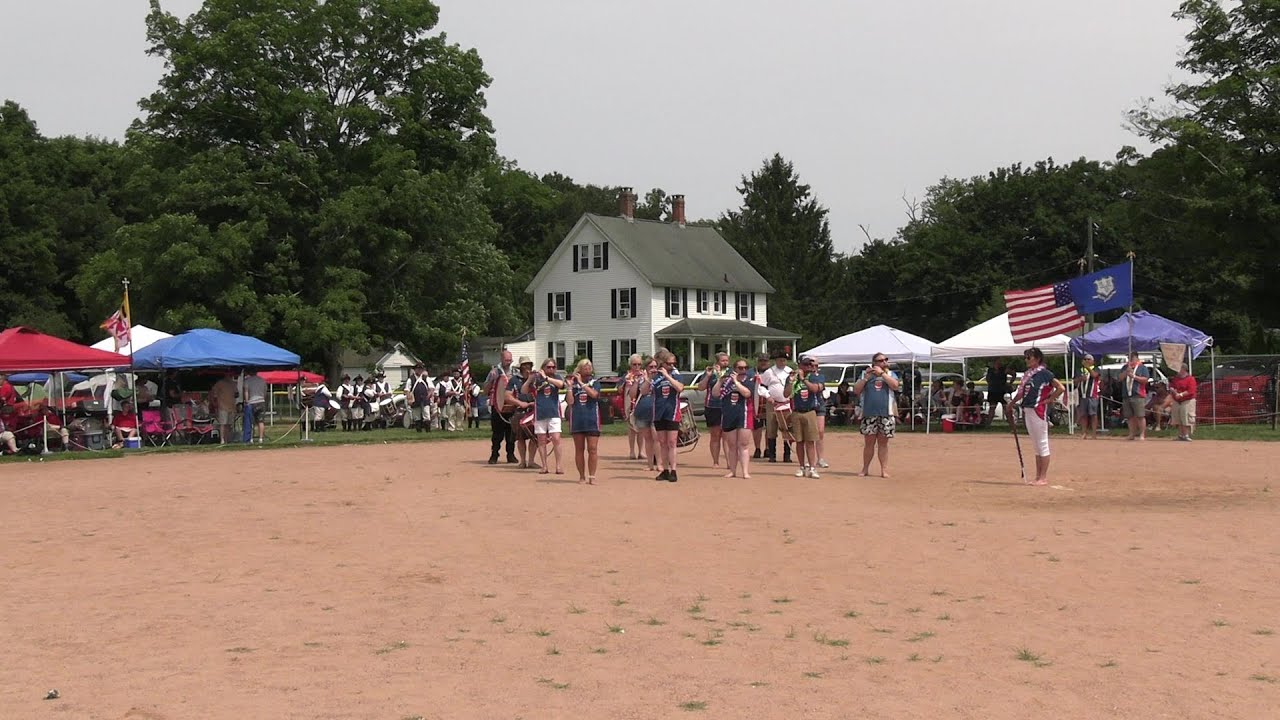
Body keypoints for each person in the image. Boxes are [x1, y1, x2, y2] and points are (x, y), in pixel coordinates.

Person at [1011, 347, 1066, 486]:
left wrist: (1050, 399)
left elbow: (1061, 387)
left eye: (1029, 357)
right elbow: (1021, 392)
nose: (1026, 360)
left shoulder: (1045, 374)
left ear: (1037, 359)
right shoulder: (1028, 374)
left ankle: (1043, 476)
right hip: (1028, 409)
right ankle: (1038, 476)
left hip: (1038, 409)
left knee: (1042, 443)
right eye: (1026, 357)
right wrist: (1011, 404)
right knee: (1036, 445)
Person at [854, 352, 900, 478]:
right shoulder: (865, 374)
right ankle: (865, 468)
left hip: (886, 413)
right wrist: (866, 378)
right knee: (869, 443)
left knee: (883, 443)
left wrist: (883, 374)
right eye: (880, 360)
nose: (884, 362)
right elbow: (856, 390)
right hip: (869, 413)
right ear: (874, 363)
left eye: (885, 360)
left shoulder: (890, 374)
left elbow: (895, 386)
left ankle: (884, 470)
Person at [643, 348, 686, 481]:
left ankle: (673, 470)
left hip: (672, 412)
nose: (671, 366)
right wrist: (648, 378)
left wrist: (668, 375)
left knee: (672, 442)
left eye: (673, 363)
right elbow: (644, 392)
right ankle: (665, 469)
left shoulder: (675, 375)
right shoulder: (655, 377)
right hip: (659, 413)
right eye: (669, 364)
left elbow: (680, 388)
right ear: (662, 363)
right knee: (662, 442)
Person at [784, 355, 825, 478]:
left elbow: (815, 389)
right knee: (799, 441)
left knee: (810, 441)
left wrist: (803, 379)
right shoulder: (791, 377)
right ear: (800, 365)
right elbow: (786, 394)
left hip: (811, 411)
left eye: (811, 365)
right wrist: (791, 381)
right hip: (797, 411)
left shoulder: (815, 376)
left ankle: (812, 468)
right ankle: (801, 467)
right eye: (806, 365)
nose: (809, 367)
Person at [524, 357, 566, 475]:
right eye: (548, 367)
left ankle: (558, 466)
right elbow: (524, 390)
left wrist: (547, 378)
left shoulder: (556, 377)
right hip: (540, 413)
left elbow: (562, 385)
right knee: (541, 440)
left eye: (553, 367)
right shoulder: (537, 379)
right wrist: (529, 379)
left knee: (556, 439)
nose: (551, 369)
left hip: (554, 413)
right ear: (543, 367)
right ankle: (544, 466)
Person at [715, 358, 756, 478]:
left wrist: (736, 382)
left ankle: (745, 472)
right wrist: (719, 381)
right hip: (729, 415)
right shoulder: (726, 381)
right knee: (732, 445)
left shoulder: (749, 381)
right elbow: (715, 394)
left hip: (744, 415)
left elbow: (747, 393)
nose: (743, 370)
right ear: (735, 369)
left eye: (745, 368)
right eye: (740, 368)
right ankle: (733, 471)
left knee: (743, 444)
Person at [567, 359, 602, 484]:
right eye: (585, 367)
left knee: (592, 449)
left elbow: (594, 395)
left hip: (592, 419)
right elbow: (570, 402)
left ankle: (592, 476)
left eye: (589, 367)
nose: (588, 369)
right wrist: (570, 387)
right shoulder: (574, 384)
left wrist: (582, 384)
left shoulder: (595, 382)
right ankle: (581, 476)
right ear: (579, 370)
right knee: (579, 449)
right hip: (577, 420)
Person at [760, 350, 795, 463]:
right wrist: (768, 396)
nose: (782, 362)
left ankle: (787, 454)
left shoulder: (790, 371)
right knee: (771, 429)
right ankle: (772, 455)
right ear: (776, 361)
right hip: (772, 404)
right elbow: (761, 387)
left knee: (787, 428)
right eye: (780, 360)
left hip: (786, 404)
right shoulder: (769, 372)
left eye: (784, 360)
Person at [697, 352, 730, 468]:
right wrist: (707, 375)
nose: (725, 362)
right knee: (715, 435)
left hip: (728, 406)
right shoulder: (710, 373)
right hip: (712, 406)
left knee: (727, 436)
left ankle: (729, 462)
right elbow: (700, 388)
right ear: (717, 362)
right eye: (723, 360)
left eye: (727, 360)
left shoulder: (731, 373)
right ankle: (715, 461)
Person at [484, 351, 518, 463]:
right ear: (501, 359)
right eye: (506, 360)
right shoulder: (494, 372)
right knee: (497, 433)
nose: (508, 362)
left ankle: (511, 454)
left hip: (511, 406)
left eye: (510, 360)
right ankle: (494, 455)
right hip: (497, 406)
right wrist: (493, 380)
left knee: (511, 433)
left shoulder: (515, 372)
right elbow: (485, 390)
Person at [631, 358, 657, 471]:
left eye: (655, 366)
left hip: (657, 411)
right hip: (643, 411)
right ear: (645, 368)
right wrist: (637, 381)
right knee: (648, 439)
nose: (653, 369)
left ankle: (660, 463)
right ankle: (650, 464)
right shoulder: (641, 379)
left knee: (657, 438)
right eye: (650, 367)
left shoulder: (661, 378)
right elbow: (633, 394)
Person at [1121, 351, 1151, 440]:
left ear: (1136, 358)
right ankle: (1131, 434)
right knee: (1129, 416)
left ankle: (1142, 434)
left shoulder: (1142, 368)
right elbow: (1120, 378)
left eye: (1131, 358)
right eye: (1128, 358)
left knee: (1140, 415)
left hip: (1138, 394)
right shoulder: (1125, 367)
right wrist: (1126, 372)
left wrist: (1134, 376)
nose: (1129, 360)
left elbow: (1145, 379)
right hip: (1126, 394)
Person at [623, 353, 646, 460]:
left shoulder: (644, 375)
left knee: (641, 429)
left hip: (641, 403)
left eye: (639, 364)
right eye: (634, 364)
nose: (637, 367)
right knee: (631, 428)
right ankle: (632, 451)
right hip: (630, 405)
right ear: (630, 365)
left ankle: (641, 451)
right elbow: (621, 389)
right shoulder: (627, 376)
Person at [1074, 354, 1101, 439]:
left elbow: (1094, 375)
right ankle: (1084, 433)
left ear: (1092, 361)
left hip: (1092, 395)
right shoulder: (1080, 370)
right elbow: (1074, 381)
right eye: (1085, 359)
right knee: (1083, 415)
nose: (1087, 361)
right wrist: (1080, 379)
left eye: (1088, 359)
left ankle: (1094, 434)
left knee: (1093, 414)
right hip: (1082, 395)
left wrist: (1088, 368)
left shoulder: (1096, 368)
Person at [1169, 363, 1198, 441]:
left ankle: (1186, 434)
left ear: (1184, 369)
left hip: (1187, 401)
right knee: (1178, 418)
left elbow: (1191, 391)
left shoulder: (1190, 379)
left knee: (1186, 418)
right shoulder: (1176, 378)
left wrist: (1181, 394)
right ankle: (1181, 435)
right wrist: (1172, 390)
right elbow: (1172, 386)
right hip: (1177, 401)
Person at [749, 353, 771, 458]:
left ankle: (767, 448)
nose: (763, 363)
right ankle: (757, 448)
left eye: (765, 361)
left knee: (769, 427)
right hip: (756, 402)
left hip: (768, 402)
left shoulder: (772, 373)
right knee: (757, 427)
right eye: (761, 361)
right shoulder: (751, 373)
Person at [210, 371, 238, 444]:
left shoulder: (233, 384)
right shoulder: (219, 383)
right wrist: (214, 404)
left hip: (231, 407)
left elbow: (236, 394)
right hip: (222, 407)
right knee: (223, 424)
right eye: (229, 374)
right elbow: (213, 394)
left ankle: (227, 439)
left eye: (231, 374)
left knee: (229, 424)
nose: (230, 376)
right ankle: (222, 439)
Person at [243, 371, 268, 443]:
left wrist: (247, 401)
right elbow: (265, 391)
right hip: (261, 401)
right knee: (261, 421)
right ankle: (261, 439)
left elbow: (246, 391)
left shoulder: (247, 381)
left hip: (252, 402)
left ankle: (251, 438)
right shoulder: (262, 380)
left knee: (251, 422)